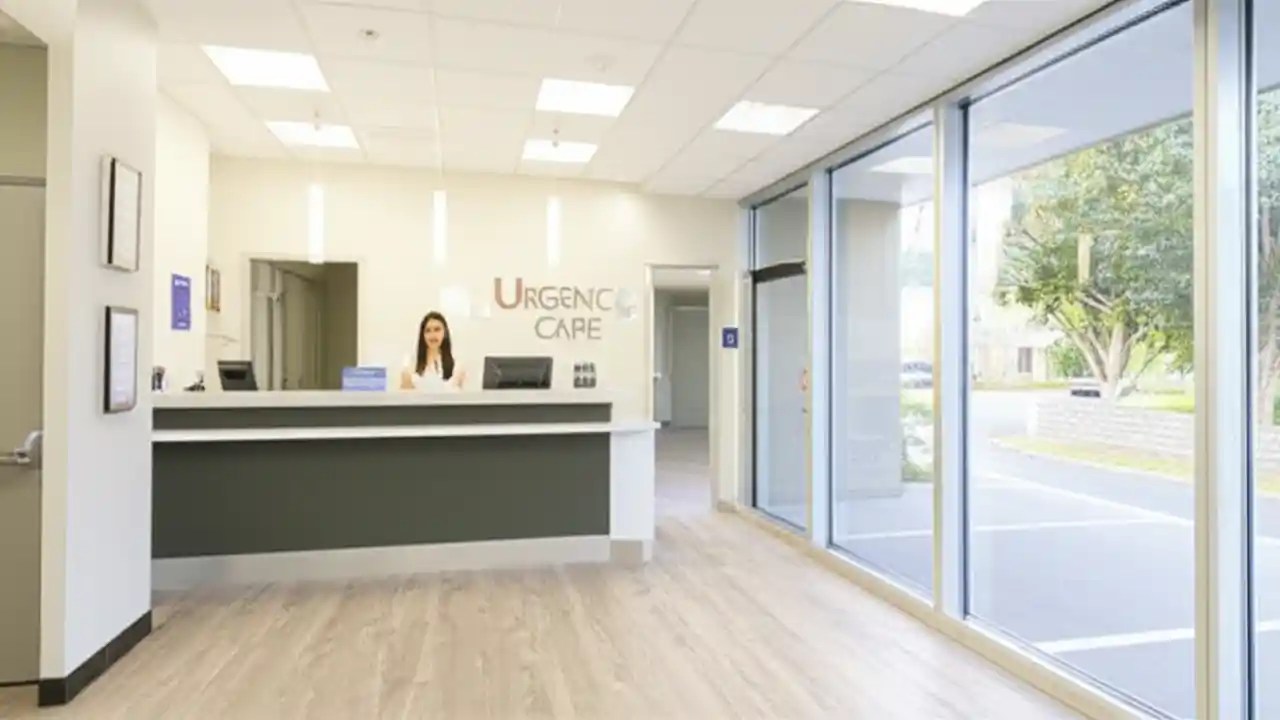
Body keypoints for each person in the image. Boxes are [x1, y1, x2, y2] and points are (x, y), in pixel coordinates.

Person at [401, 311, 467, 391]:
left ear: (445, 333)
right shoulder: (410, 364)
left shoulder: (457, 366)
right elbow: (405, 398)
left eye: (437, 329)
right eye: (428, 331)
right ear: (423, 335)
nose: (432, 335)